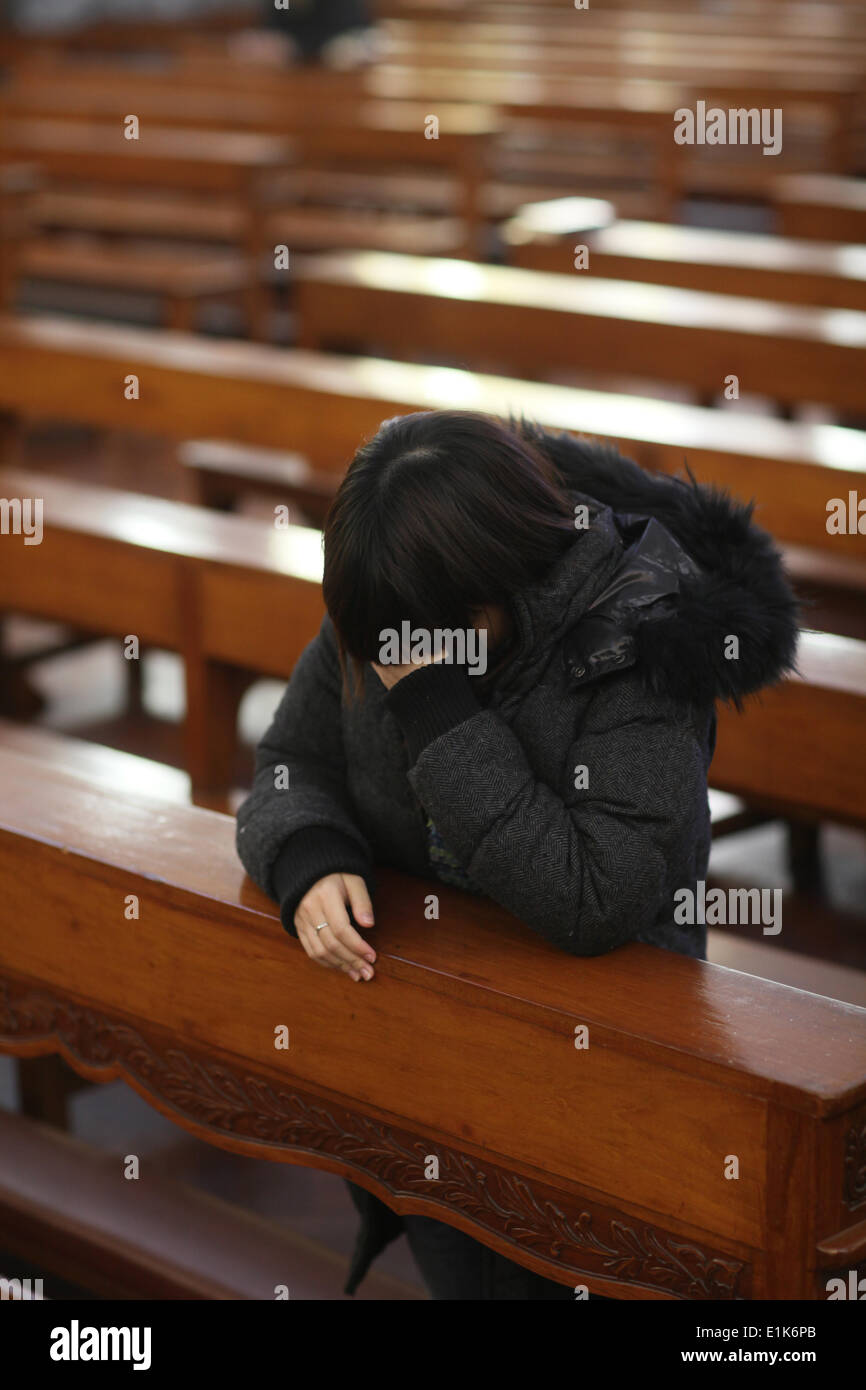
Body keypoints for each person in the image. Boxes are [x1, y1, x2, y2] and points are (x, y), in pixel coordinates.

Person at [235, 410, 799, 1299]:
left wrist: (437, 714)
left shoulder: (637, 643)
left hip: (605, 1068)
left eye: (419, 639)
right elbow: (289, 761)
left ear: (490, 590)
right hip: (422, 1040)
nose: (397, 656)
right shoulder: (396, 599)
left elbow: (592, 899)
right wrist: (307, 850)